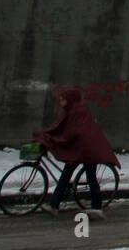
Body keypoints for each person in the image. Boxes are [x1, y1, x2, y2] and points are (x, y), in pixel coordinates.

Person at [33, 87, 120, 217]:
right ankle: (54, 205)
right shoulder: (70, 110)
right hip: (78, 148)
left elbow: (73, 131)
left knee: (90, 177)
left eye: (62, 99)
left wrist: (56, 139)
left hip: (88, 149)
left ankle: (97, 208)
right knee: (66, 175)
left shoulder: (79, 110)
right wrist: (47, 137)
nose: (60, 101)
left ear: (70, 99)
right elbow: (59, 127)